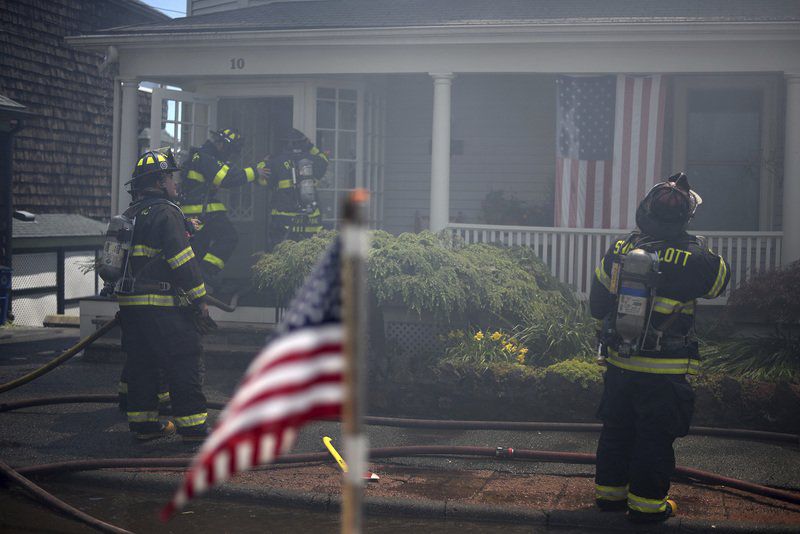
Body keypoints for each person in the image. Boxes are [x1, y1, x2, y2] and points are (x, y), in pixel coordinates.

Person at [589, 173, 730, 523]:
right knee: (654, 437)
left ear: (646, 209)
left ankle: (609, 498)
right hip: (665, 370)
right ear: (685, 217)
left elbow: (596, 305)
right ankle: (648, 507)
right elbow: (720, 283)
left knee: (617, 430)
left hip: (621, 362)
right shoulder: (695, 257)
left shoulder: (621, 249)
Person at [116, 149, 210, 442]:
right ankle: (193, 428)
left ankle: (144, 427)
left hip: (131, 307)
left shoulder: (130, 215)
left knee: (142, 363)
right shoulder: (167, 212)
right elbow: (182, 260)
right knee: (183, 359)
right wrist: (199, 299)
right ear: (159, 181)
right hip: (163, 306)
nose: (174, 183)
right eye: (170, 177)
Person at [179, 128, 269, 284]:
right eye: (230, 151)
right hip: (202, 212)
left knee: (200, 248)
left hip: (195, 212)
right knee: (228, 237)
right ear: (222, 145)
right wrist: (255, 172)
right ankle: (205, 273)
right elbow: (227, 178)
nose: (229, 155)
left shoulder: (203, 155)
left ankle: (196, 281)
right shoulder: (206, 157)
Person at [265, 128, 329, 248]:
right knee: (308, 256)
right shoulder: (313, 160)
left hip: (283, 219)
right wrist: (310, 146)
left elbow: (264, 181)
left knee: (280, 254)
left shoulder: (275, 162)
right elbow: (324, 159)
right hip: (310, 221)